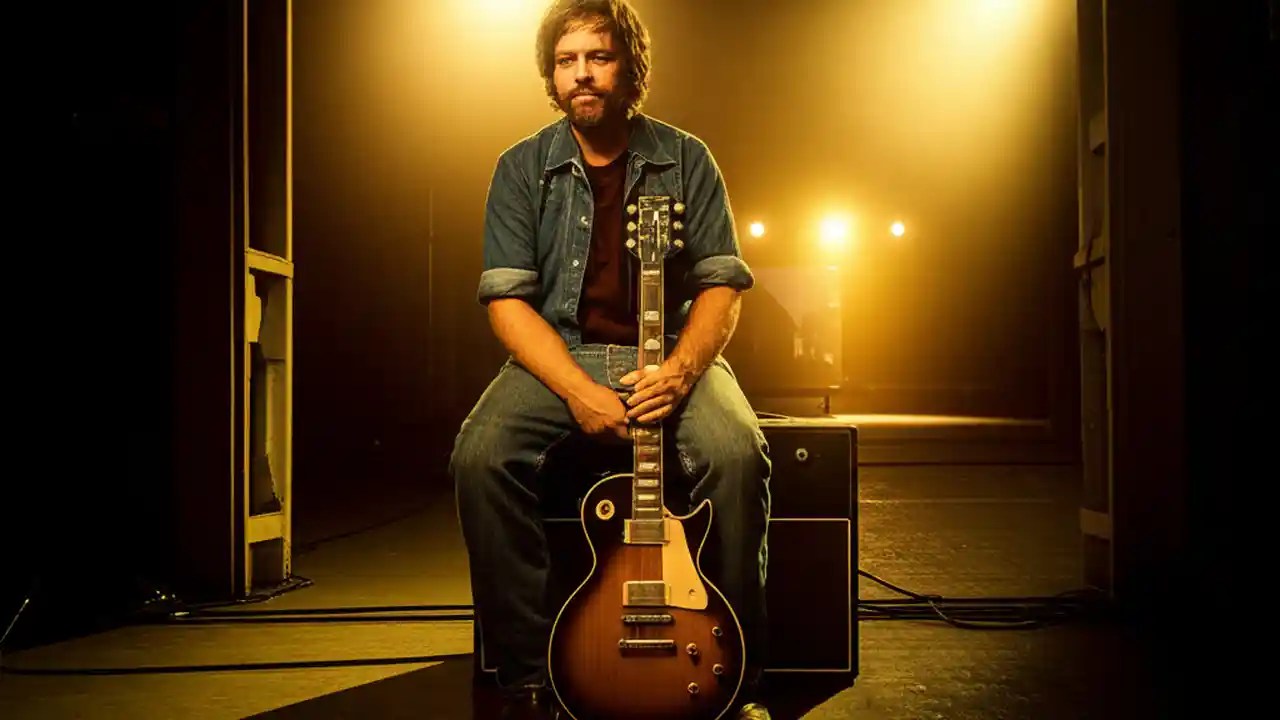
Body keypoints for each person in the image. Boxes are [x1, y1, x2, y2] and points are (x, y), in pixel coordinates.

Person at [449, 1, 772, 717]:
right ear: (550, 75)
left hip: (671, 350)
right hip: (560, 353)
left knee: (739, 451)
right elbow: (507, 303)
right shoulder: (521, 168)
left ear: (631, 68)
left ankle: (738, 679)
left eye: (598, 57)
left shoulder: (687, 158)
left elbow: (723, 282)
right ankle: (533, 676)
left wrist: (683, 371)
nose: (581, 74)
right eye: (566, 62)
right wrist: (575, 391)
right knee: (479, 458)